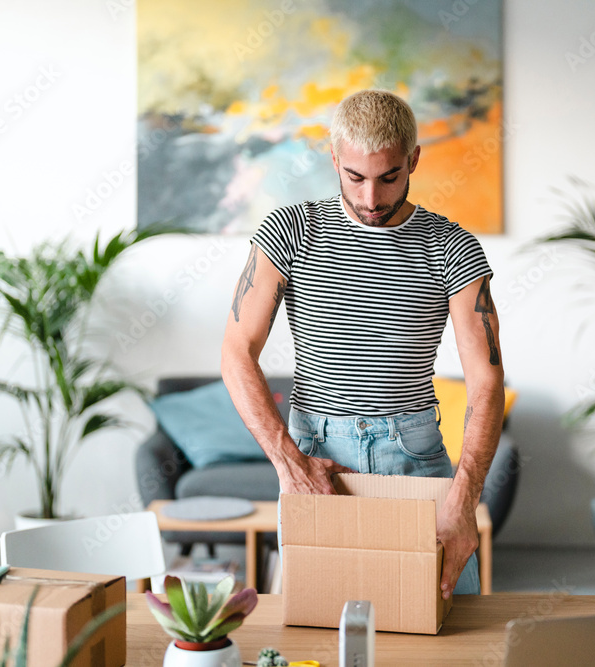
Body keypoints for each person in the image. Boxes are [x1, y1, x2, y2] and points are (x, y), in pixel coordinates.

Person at [221, 89, 504, 598]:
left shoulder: (452, 246)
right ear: (334, 160)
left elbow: (486, 380)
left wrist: (464, 500)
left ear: (413, 160)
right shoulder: (289, 231)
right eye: (355, 177)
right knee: (319, 626)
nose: (371, 198)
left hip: (413, 453)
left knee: (452, 624)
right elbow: (236, 352)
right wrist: (289, 462)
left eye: (389, 177)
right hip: (317, 455)